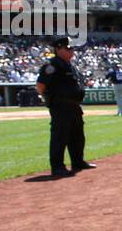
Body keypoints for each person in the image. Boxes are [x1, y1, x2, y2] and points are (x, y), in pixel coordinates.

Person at [36, 37, 96, 178]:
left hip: (74, 106)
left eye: (72, 48)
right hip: (60, 106)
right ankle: (57, 167)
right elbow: (40, 86)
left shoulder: (70, 66)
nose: (71, 50)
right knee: (60, 136)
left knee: (77, 136)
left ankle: (78, 162)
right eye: (68, 48)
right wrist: (51, 99)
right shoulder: (52, 66)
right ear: (58, 49)